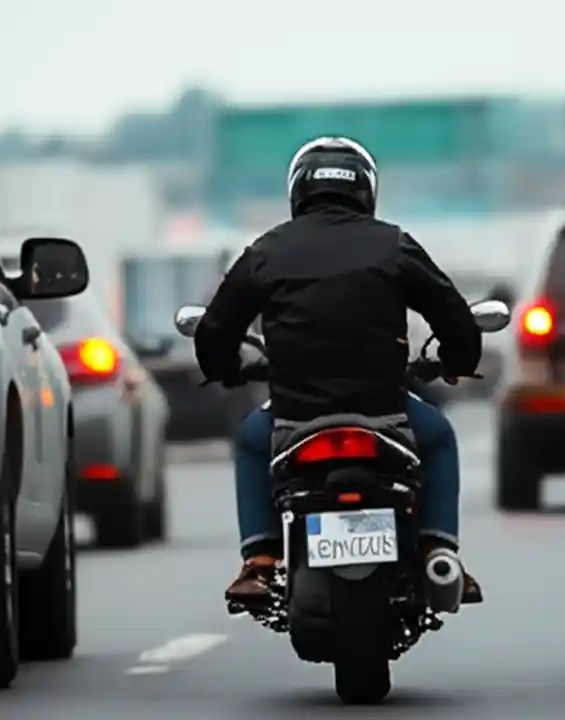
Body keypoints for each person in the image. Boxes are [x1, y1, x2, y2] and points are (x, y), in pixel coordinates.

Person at [194, 136, 485, 609]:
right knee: (438, 438)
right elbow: (455, 317)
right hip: (386, 413)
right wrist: (457, 362)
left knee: (250, 441)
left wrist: (224, 369)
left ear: (298, 191)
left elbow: (214, 330)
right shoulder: (394, 244)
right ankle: (438, 551)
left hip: (293, 416)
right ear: (366, 190)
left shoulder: (267, 250)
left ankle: (260, 562)